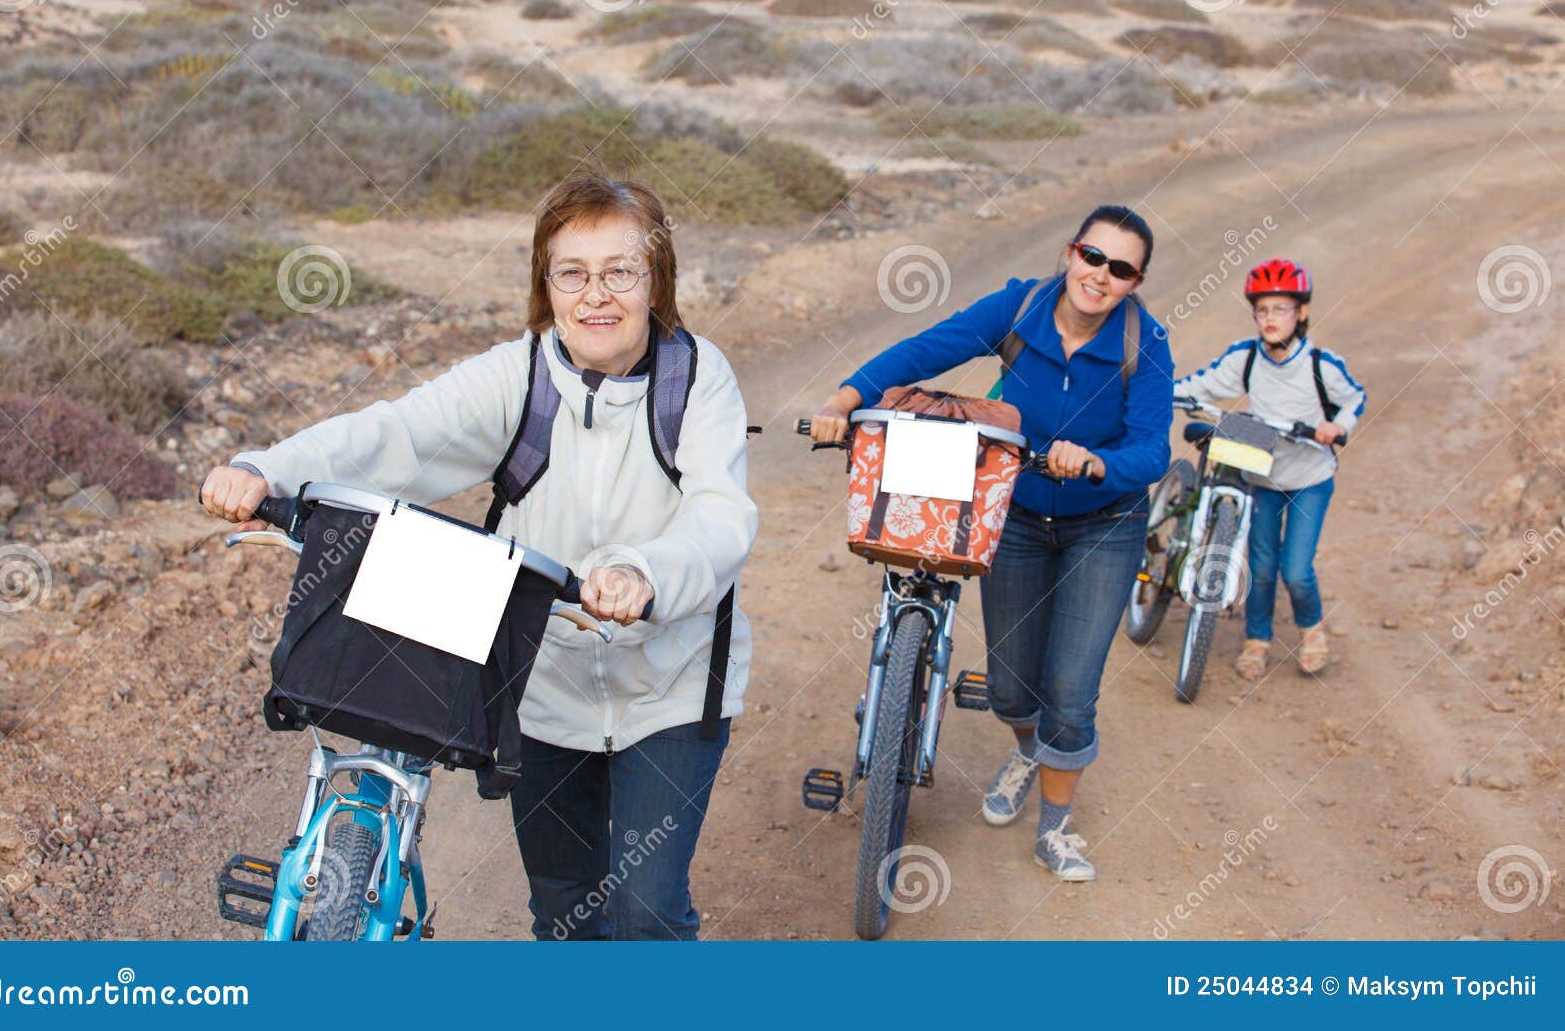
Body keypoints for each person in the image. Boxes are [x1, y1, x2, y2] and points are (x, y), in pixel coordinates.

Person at [199, 173, 758, 940]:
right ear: (546, 284)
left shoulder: (697, 381)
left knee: (645, 910)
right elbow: (398, 432)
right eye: (573, 273)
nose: (596, 295)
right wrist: (270, 468)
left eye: (621, 271)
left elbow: (720, 517)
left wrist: (642, 573)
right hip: (543, 681)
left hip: (672, 686)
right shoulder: (519, 373)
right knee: (563, 907)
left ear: (656, 280)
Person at [811, 206, 1173, 882]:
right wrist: (845, 397)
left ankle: (1057, 828)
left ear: (1136, 280)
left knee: (1070, 686)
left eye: (1120, 269)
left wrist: (1097, 462)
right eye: (1092, 257)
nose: (1100, 275)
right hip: (1018, 512)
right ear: (1071, 252)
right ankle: (1028, 748)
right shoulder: (1020, 306)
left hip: (1106, 521)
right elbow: (930, 347)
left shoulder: (1143, 343)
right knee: (1010, 685)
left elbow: (1154, 448)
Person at [1172, 258, 1365, 679]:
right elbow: (1202, 383)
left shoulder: (1321, 365)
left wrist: (1337, 426)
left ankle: (1311, 630)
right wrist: (1165, 392)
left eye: (1281, 308)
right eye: (1262, 309)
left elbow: (1354, 399)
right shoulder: (1246, 359)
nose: (1270, 318)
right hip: (1262, 474)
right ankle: (1256, 640)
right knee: (1260, 565)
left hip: (1311, 476)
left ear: (1302, 313)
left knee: (1295, 570)